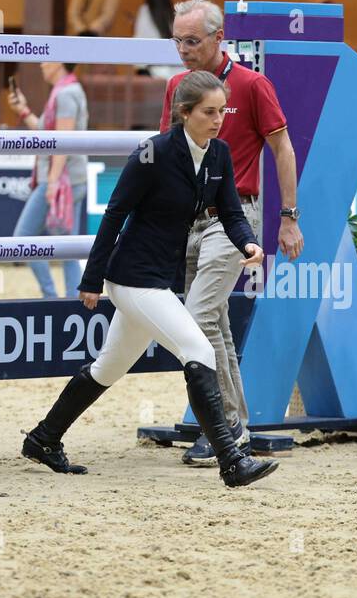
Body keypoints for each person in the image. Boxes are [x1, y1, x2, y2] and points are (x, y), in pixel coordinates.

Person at [22, 72, 278, 488]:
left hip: (159, 279)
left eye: (222, 112)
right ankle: (232, 460)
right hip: (133, 277)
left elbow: (231, 212)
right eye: (209, 113)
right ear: (184, 113)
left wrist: (248, 244)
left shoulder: (219, 154)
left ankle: (43, 438)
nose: (218, 120)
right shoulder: (152, 153)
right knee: (197, 347)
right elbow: (115, 214)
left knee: (109, 366)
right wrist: (92, 279)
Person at [159, 0, 304, 464]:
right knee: (215, 323)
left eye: (192, 40)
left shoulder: (252, 84)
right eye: (178, 39)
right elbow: (166, 153)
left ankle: (220, 426)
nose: (182, 48)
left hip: (234, 214)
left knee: (197, 318)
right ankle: (234, 424)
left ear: (219, 38)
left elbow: (283, 149)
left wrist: (288, 217)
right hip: (184, 217)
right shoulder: (177, 86)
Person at [7, 61, 89, 298]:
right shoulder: (67, 90)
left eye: (47, 59)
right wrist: (23, 111)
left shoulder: (65, 94)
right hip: (69, 178)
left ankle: (51, 297)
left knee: (23, 239)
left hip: (60, 179)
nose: (42, 64)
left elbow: (61, 142)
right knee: (68, 248)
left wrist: (52, 182)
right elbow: (50, 136)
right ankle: (71, 303)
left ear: (59, 64)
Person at [133, 0, 180, 81]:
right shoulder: (175, 12)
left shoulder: (145, 11)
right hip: (177, 69)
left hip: (155, 71)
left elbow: (139, 42)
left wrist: (139, 68)